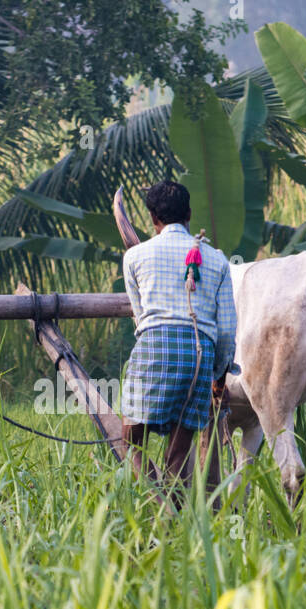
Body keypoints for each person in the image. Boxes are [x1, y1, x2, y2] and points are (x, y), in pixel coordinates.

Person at [120, 180, 238, 488]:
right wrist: (219, 370)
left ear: (153, 219)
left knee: (130, 439)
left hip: (153, 351)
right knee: (178, 453)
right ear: (188, 214)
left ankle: (156, 498)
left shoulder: (134, 257)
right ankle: (171, 516)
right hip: (199, 356)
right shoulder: (217, 259)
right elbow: (226, 329)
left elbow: (140, 315)